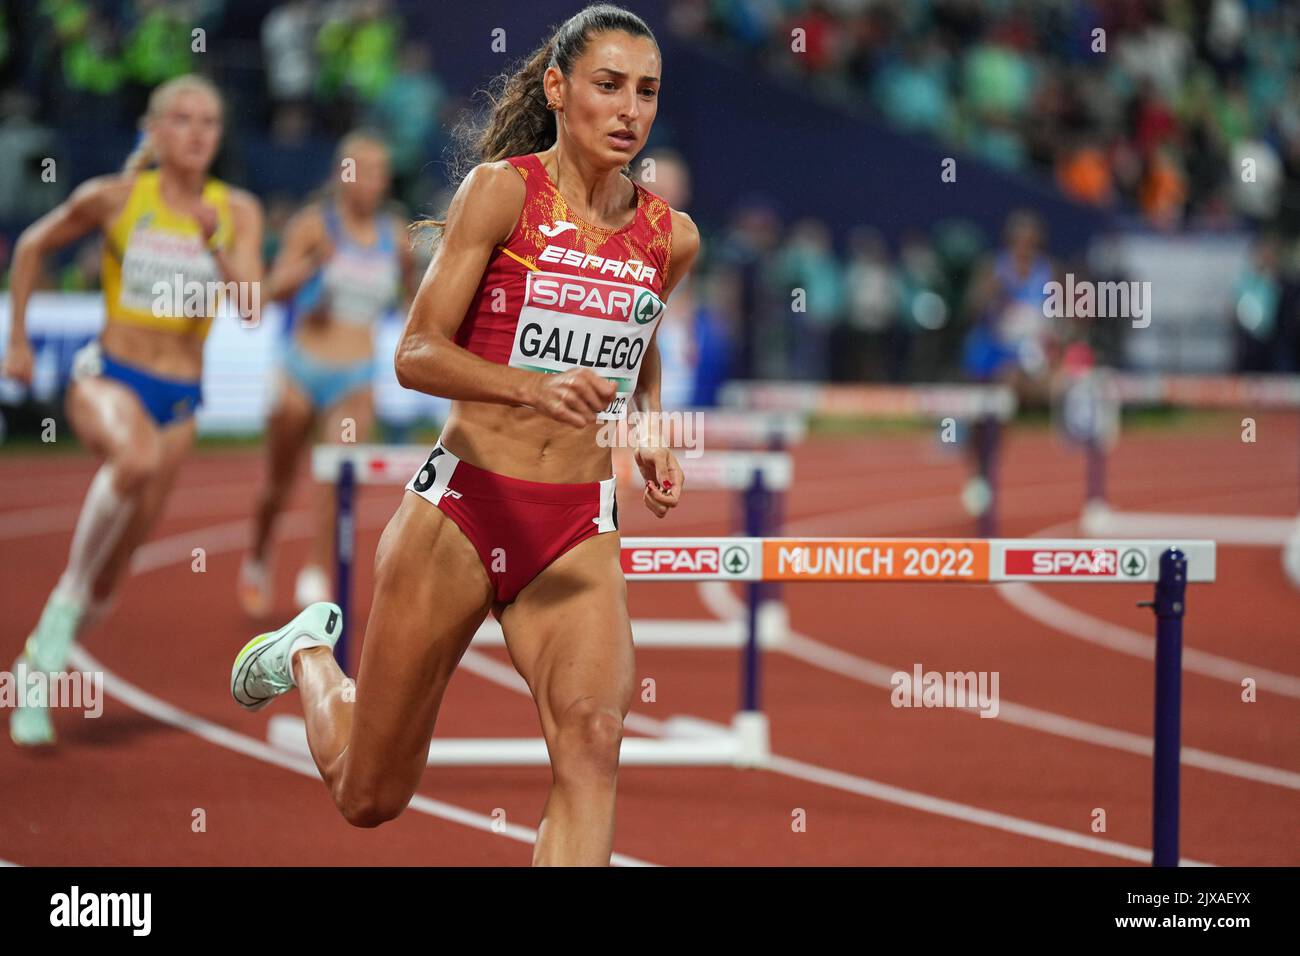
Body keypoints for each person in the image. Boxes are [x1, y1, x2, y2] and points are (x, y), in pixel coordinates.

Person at [229, 4, 699, 866]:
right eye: (608, 87)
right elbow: (414, 354)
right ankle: (307, 654)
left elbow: (643, 339)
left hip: (576, 530)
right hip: (464, 509)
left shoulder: (672, 237)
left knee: (593, 741)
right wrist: (532, 389)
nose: (630, 110)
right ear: (558, 90)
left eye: (647, 92)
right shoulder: (501, 193)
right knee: (370, 796)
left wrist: (650, 428)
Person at [4, 74, 263, 745]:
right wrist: (19, 339)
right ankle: (57, 628)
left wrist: (214, 242)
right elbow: (32, 246)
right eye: (182, 118)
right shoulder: (116, 198)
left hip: (178, 403)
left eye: (209, 120)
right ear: (153, 131)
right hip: (107, 375)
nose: (198, 132)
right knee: (133, 457)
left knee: (109, 586)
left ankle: (38, 660)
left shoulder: (236, 210)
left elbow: (254, 309)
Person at [238, 131, 416, 616]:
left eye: (383, 171)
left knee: (338, 477)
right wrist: (314, 266)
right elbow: (273, 290)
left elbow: (411, 299)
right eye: (368, 170)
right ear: (346, 174)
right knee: (278, 481)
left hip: (355, 376)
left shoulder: (394, 233)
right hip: (300, 369)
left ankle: (316, 569)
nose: (377, 181)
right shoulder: (316, 226)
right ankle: (257, 557)